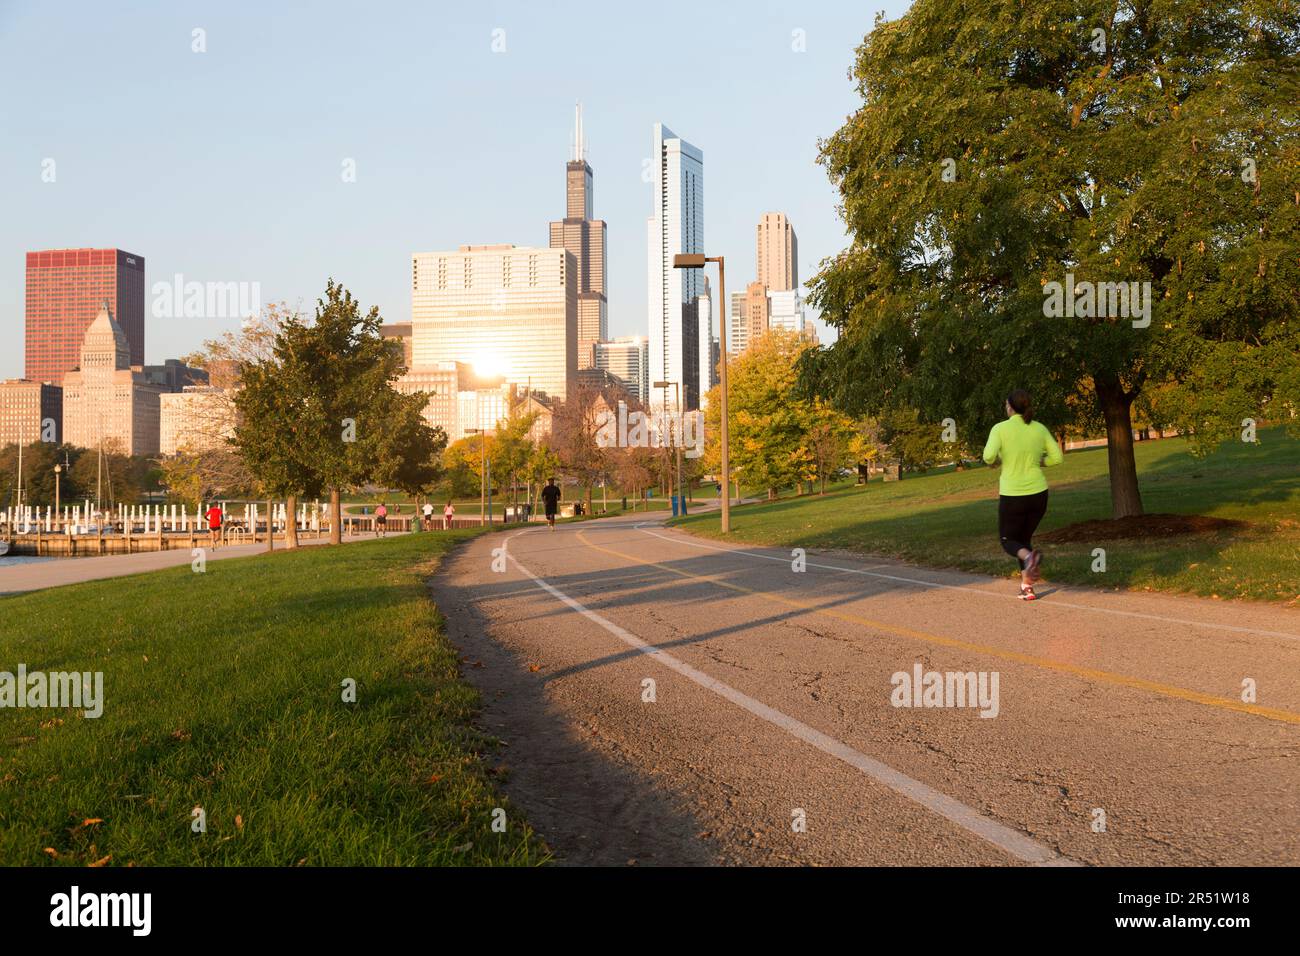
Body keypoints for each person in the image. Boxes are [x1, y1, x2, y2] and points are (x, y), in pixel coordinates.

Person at [982, 389, 1063, 601]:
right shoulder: (1039, 428)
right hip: (1039, 495)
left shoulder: (1000, 428)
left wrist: (997, 462)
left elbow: (988, 456)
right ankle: (1027, 587)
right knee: (1023, 539)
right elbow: (1057, 458)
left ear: (1010, 407)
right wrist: (1039, 462)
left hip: (1013, 495)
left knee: (1008, 539)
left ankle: (1029, 557)